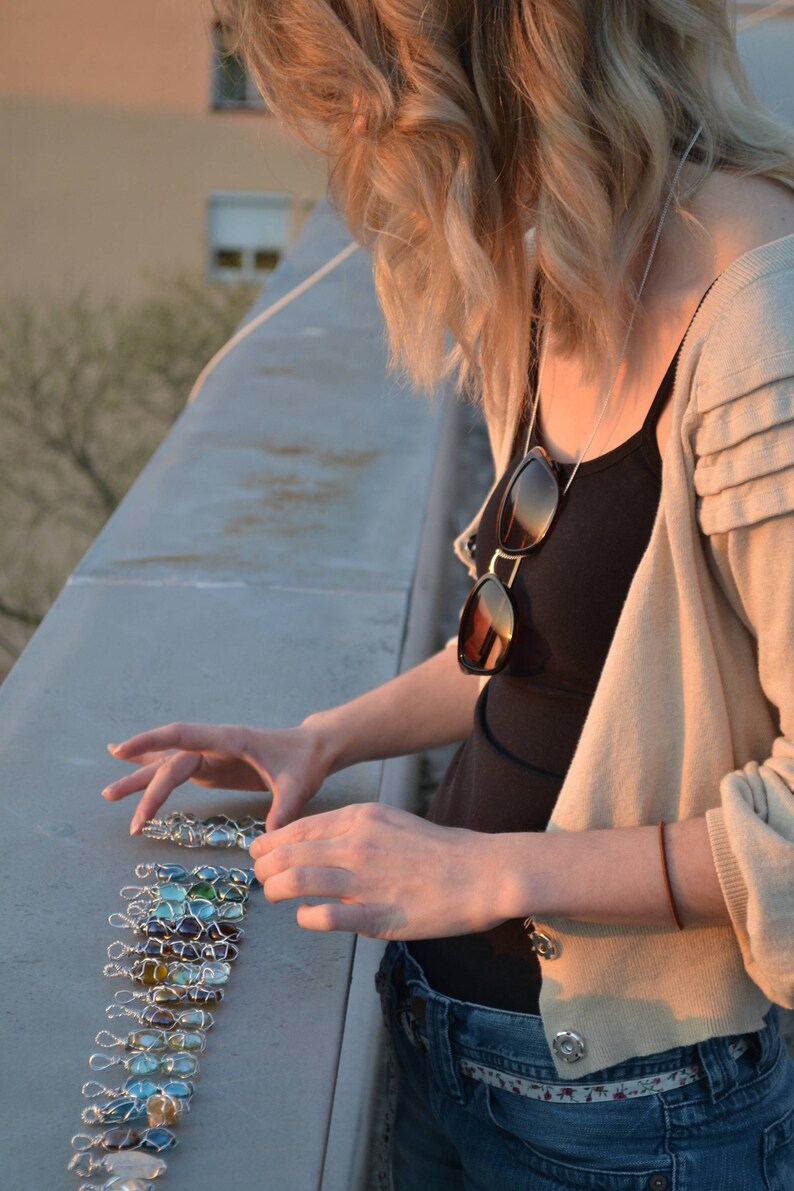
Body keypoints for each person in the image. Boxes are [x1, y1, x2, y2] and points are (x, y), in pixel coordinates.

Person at [103, 2, 794, 1186]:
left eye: (366, 97)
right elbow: (523, 645)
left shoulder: (756, 322)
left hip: (632, 1112)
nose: (360, 138)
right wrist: (319, 737)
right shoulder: (556, 270)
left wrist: (480, 873)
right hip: (442, 1028)